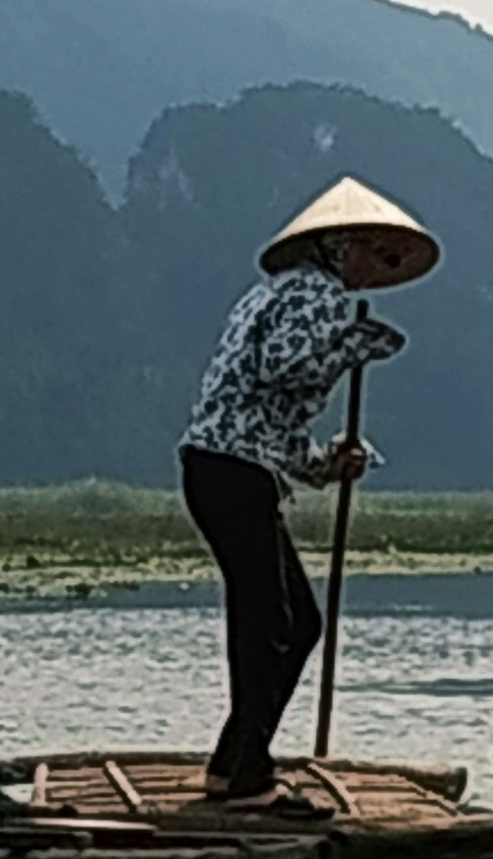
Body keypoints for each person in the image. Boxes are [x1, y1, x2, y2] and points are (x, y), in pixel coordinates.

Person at [176, 176, 438, 808]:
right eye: (378, 256)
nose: (380, 272)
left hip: (228, 467)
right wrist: (355, 345)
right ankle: (245, 778)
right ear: (342, 245)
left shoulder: (278, 296)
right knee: (271, 621)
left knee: (294, 621)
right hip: (230, 469)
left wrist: (328, 465)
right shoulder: (312, 294)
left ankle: (234, 761)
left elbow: (275, 417)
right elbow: (283, 368)